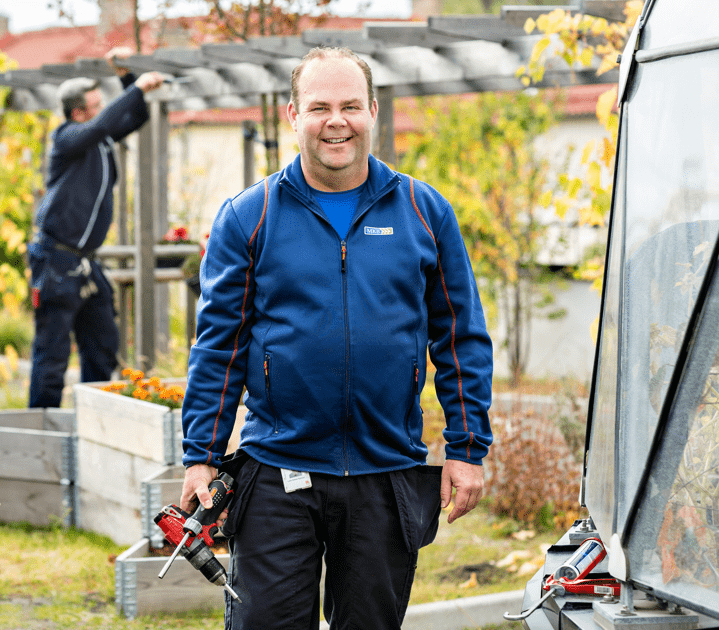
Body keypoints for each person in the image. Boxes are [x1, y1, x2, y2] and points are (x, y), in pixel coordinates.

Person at [178, 46, 494, 630]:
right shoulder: (251, 215)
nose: (336, 121)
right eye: (319, 107)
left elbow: (459, 338)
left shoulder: (425, 212)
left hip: (385, 470)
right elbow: (218, 345)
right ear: (293, 117)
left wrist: (467, 449)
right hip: (278, 470)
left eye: (351, 106)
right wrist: (200, 455)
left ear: (373, 111)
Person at [27, 49, 164, 408]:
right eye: (94, 104)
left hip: (86, 262)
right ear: (77, 113)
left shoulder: (100, 138)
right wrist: (136, 88)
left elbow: (137, 116)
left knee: (102, 346)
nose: (101, 109)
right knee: (52, 354)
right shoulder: (67, 139)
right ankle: (44, 431)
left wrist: (127, 79)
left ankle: (96, 424)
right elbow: (105, 123)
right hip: (55, 260)